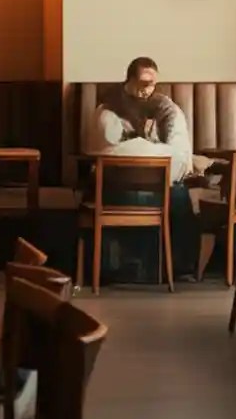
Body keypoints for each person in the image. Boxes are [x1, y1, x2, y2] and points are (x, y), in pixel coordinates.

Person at [83, 57, 203, 281]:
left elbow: (180, 152)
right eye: (142, 83)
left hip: (156, 185)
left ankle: (176, 268)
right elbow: (105, 149)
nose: (146, 89)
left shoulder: (165, 109)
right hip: (117, 185)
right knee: (174, 195)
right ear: (129, 80)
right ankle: (127, 269)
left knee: (179, 195)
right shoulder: (109, 109)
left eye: (151, 83)